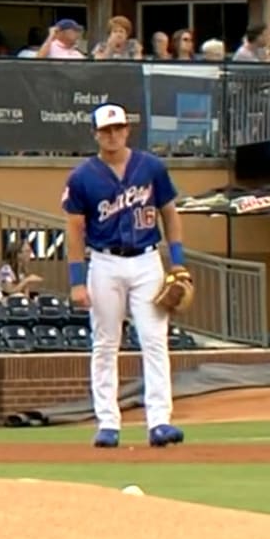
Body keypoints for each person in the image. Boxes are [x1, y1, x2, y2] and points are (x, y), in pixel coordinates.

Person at [63, 102, 186, 450]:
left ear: (127, 130)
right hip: (104, 261)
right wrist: (76, 279)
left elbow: (169, 214)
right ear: (96, 134)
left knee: (154, 338)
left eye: (117, 128)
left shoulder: (150, 167)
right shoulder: (82, 176)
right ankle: (107, 422)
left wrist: (177, 262)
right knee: (105, 342)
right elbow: (74, 229)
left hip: (147, 259)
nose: (112, 135)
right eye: (106, 130)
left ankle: (160, 421)